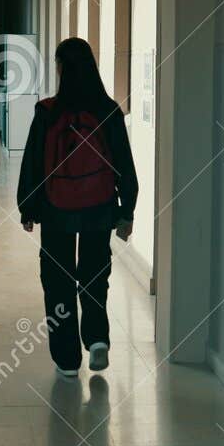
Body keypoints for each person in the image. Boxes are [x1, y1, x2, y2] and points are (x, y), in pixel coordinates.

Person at [16, 37, 138, 377]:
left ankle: (67, 360)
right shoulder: (108, 110)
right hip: (99, 209)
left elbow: (33, 163)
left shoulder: (47, 111)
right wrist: (126, 210)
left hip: (57, 211)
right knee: (95, 276)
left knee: (58, 280)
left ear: (60, 68)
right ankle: (97, 339)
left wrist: (28, 207)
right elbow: (124, 165)